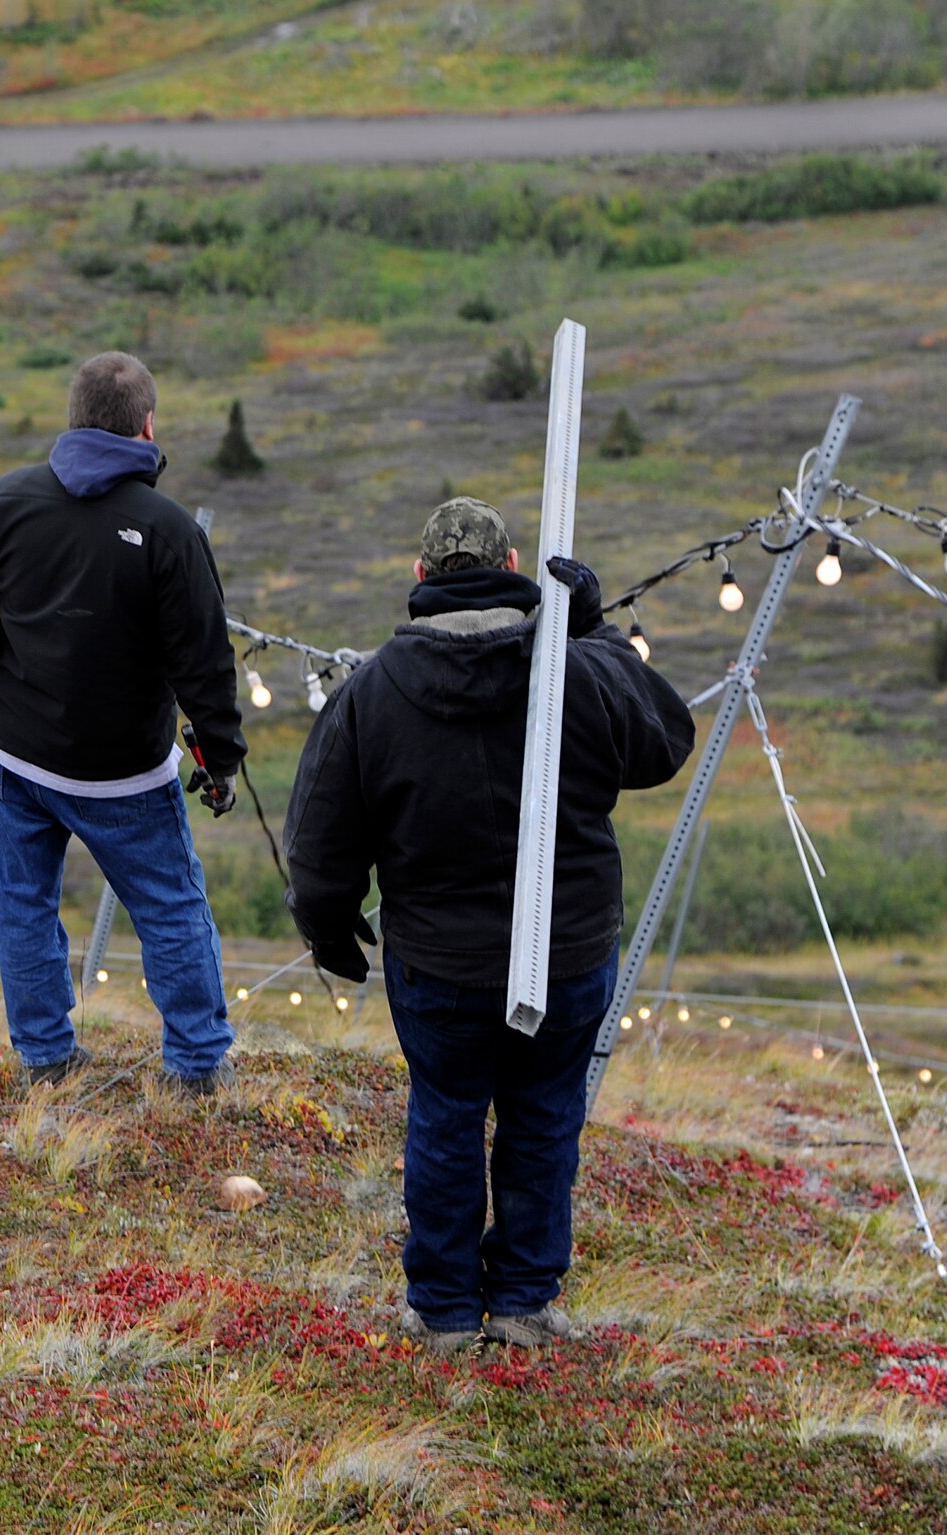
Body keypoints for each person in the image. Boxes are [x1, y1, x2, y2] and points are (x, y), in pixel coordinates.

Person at [282, 497, 695, 1351]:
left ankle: (442, 1309)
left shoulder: (370, 693)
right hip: (568, 950)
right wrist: (593, 630)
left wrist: (328, 929)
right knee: (544, 1118)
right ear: (513, 569)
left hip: (439, 963)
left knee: (445, 1118)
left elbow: (319, 839)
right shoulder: (574, 671)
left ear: (420, 577)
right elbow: (665, 738)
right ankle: (522, 1301)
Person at [0, 351, 246, 1095]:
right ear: (147, 427)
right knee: (170, 909)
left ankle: (44, 1058)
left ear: (72, 419)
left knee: (25, 903)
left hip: (17, 756)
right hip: (125, 773)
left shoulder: (5, 500)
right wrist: (221, 758)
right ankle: (197, 1068)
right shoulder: (169, 531)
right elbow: (205, 663)